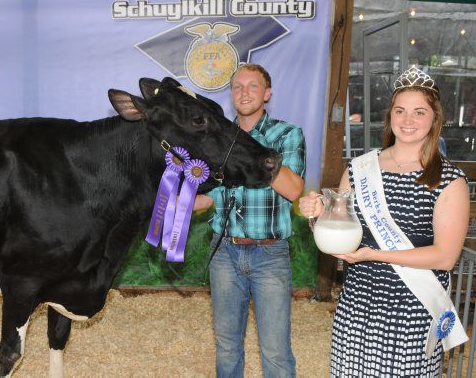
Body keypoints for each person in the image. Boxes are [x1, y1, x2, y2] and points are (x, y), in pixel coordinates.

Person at [298, 66, 470, 376]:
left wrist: (375, 254)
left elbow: (445, 257)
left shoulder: (448, 179)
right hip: (358, 303)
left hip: (412, 311)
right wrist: (319, 211)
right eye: (400, 111)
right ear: (390, 115)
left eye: (419, 112)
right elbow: (341, 224)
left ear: (435, 119)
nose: (408, 120)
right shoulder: (359, 169)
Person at [193, 63, 305, 378]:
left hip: (270, 254)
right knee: (227, 346)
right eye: (237, 87)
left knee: (275, 350)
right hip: (224, 252)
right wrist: (171, 202)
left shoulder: (287, 133)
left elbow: (293, 189)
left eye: (253, 86)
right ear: (231, 95)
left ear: (267, 94)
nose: (244, 92)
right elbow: (211, 197)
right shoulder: (219, 139)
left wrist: (248, 149)